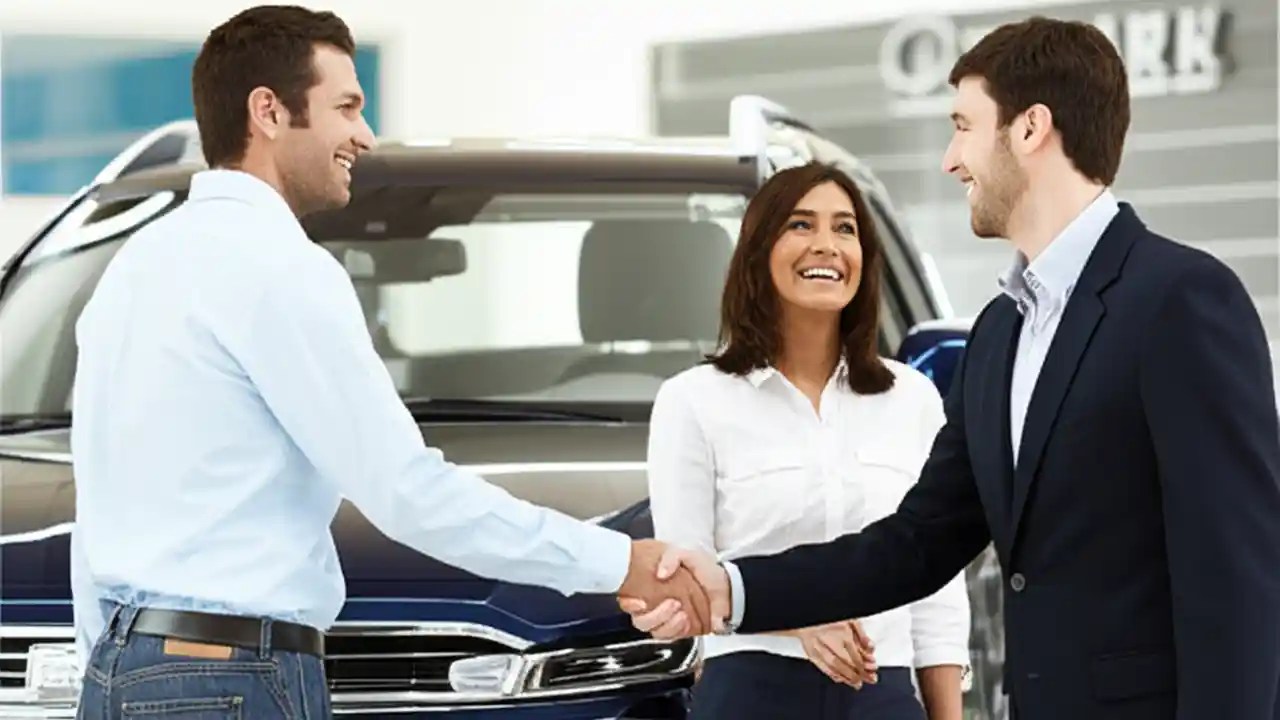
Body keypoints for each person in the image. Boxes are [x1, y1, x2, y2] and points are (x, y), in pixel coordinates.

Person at [623, 15, 1280, 720]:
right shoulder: (1001, 331)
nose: (950, 159)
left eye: (963, 125)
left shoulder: (1181, 298)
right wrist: (733, 588)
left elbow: (1238, 583)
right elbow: (918, 542)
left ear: (1030, 129)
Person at [69, 5, 711, 717]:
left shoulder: (133, 268)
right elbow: (405, 491)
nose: (364, 135)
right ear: (269, 112)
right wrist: (620, 560)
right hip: (231, 678)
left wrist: (113, 667)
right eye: (346, 107)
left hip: (118, 671)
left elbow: (92, 502)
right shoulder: (279, 266)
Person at [635, 162, 971, 719]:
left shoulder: (911, 398)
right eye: (800, 225)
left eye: (845, 229)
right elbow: (689, 581)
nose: (826, 245)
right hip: (750, 691)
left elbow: (936, 594)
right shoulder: (692, 400)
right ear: (759, 251)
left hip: (880, 694)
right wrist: (802, 618)